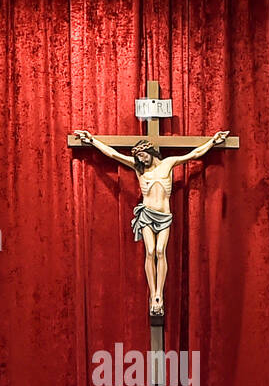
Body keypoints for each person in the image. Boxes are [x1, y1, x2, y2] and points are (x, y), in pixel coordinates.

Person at [73, 129, 228, 317]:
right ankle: (153, 294)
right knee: (150, 251)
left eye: (143, 155)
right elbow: (113, 154)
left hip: (164, 216)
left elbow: (194, 154)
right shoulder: (139, 169)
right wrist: (92, 140)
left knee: (161, 251)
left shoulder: (168, 164)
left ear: (150, 151)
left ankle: (159, 293)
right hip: (146, 214)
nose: (141, 159)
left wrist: (213, 141)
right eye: (138, 157)